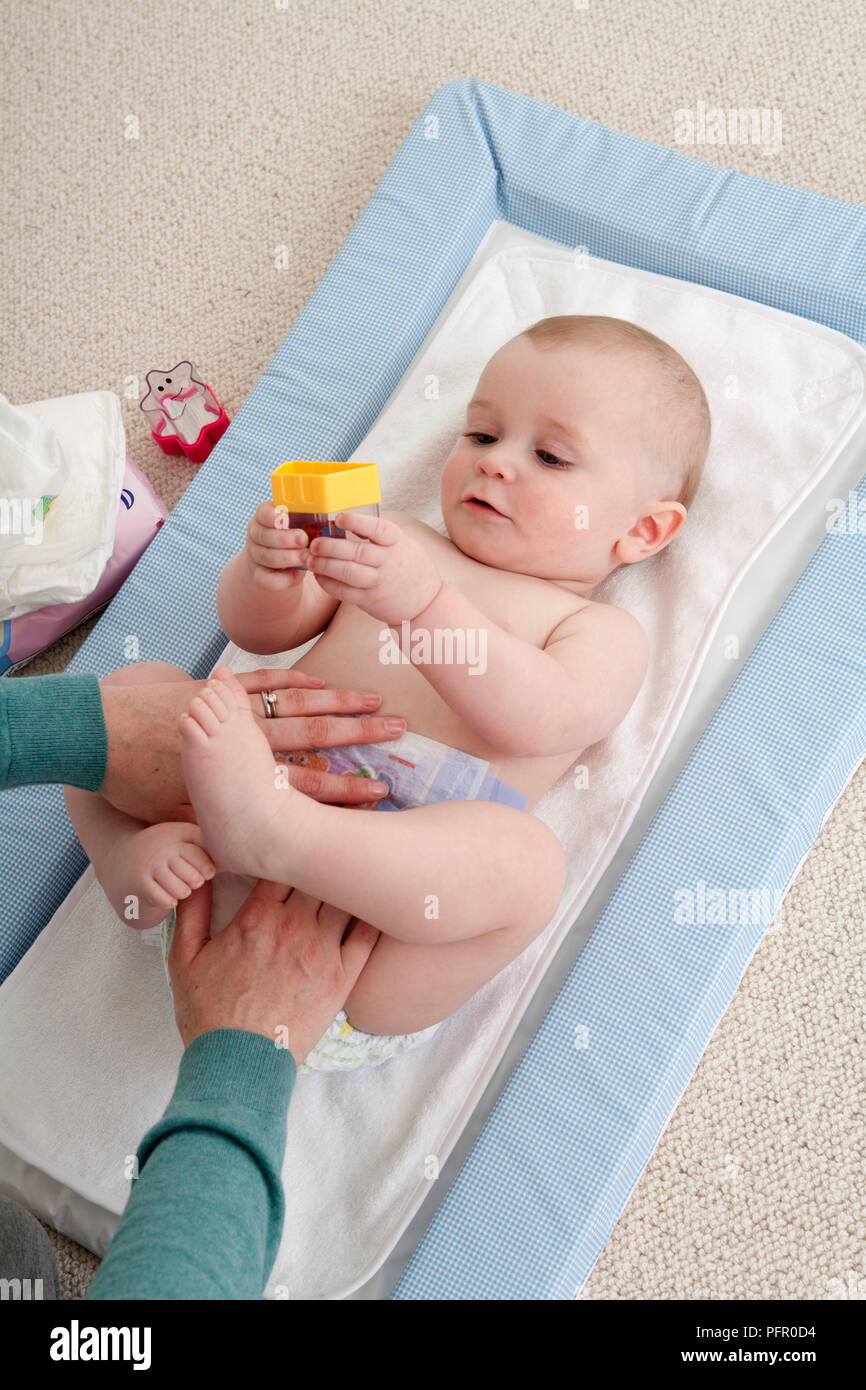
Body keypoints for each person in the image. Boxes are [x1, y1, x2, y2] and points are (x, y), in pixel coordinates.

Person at [75, 314, 710, 1072]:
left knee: (527, 866)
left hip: (363, 939)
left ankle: (284, 833)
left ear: (643, 531)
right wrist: (269, 573)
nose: (496, 464)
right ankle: (122, 862)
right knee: (120, 696)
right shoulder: (398, 540)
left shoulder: (595, 628)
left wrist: (422, 605)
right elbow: (261, 629)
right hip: (209, 841)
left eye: (548, 455)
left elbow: (540, 718)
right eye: (480, 436)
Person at [0, 664, 400, 1298]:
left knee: (128, 703)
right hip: (276, 945)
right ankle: (126, 866)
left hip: (328, 960)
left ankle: (145, 856)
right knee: (140, 685)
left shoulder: (590, 626)